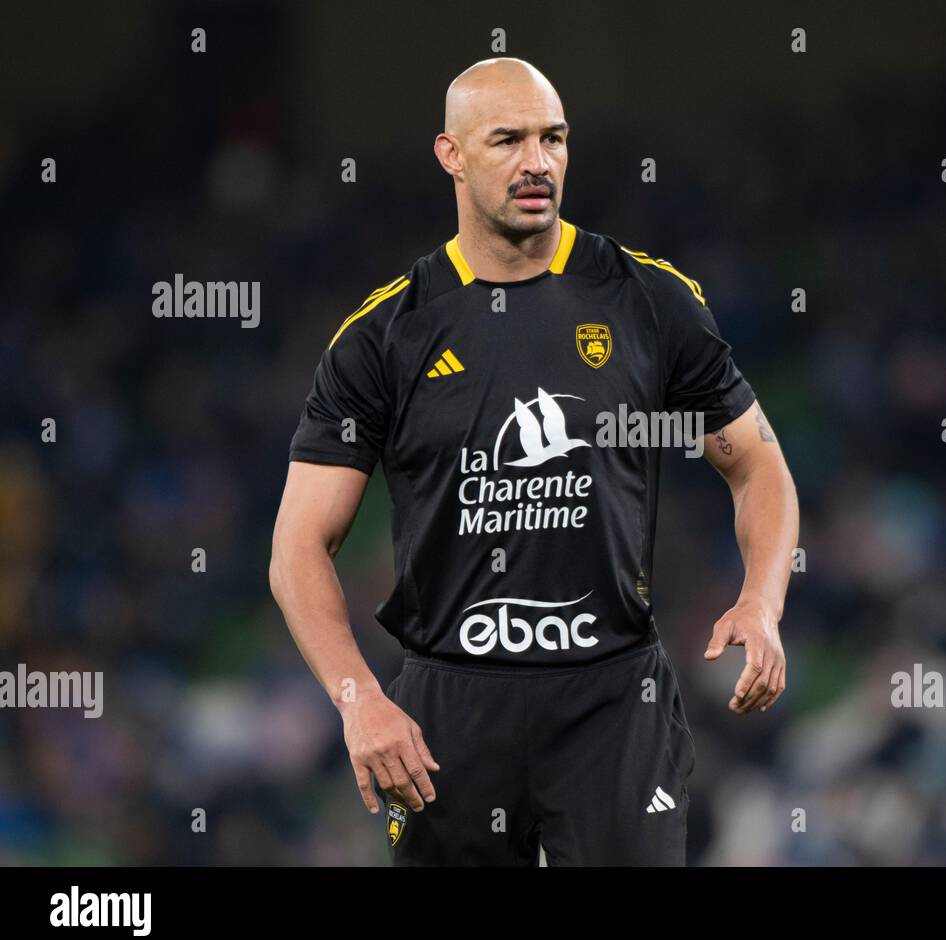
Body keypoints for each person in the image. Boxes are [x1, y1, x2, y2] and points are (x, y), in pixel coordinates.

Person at [268, 57, 799, 865]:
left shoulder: (649, 301)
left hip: (614, 699)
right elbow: (298, 546)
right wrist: (359, 699)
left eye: (553, 139)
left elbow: (757, 464)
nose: (537, 162)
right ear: (450, 154)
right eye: (508, 140)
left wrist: (761, 600)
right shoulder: (384, 336)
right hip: (449, 710)